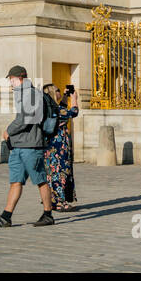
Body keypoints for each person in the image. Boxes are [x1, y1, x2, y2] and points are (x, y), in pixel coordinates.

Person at [0, 66, 55, 228]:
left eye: (12, 79)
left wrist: (8, 130)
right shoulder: (22, 94)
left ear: (20, 78)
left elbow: (26, 118)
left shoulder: (32, 94)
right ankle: (5, 217)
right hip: (18, 145)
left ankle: (48, 214)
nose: (10, 83)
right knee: (16, 181)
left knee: (40, 180)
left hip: (31, 146)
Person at [44, 83, 79, 212]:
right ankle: (60, 203)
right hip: (59, 146)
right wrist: (74, 98)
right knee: (60, 172)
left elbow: (62, 108)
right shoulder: (57, 110)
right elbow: (73, 112)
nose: (60, 91)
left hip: (49, 146)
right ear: (53, 93)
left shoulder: (50, 108)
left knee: (52, 173)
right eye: (58, 90)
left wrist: (65, 96)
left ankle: (52, 201)